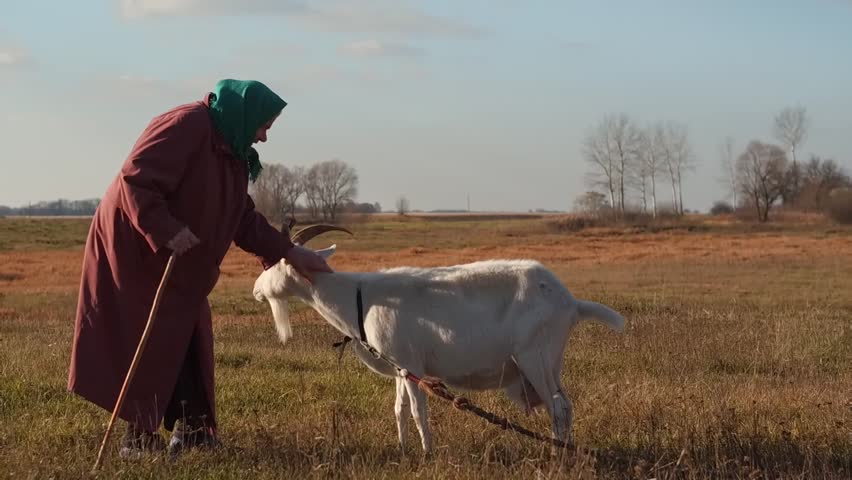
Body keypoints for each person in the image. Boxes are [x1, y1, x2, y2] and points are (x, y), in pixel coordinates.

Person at [67, 79, 332, 457]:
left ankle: (193, 432)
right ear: (245, 116)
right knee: (151, 336)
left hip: (177, 257)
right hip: (136, 251)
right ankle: (139, 440)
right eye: (264, 127)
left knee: (189, 332)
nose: (263, 137)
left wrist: (289, 252)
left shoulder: (232, 149)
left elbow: (240, 216)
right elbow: (135, 180)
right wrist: (166, 229)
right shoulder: (186, 125)